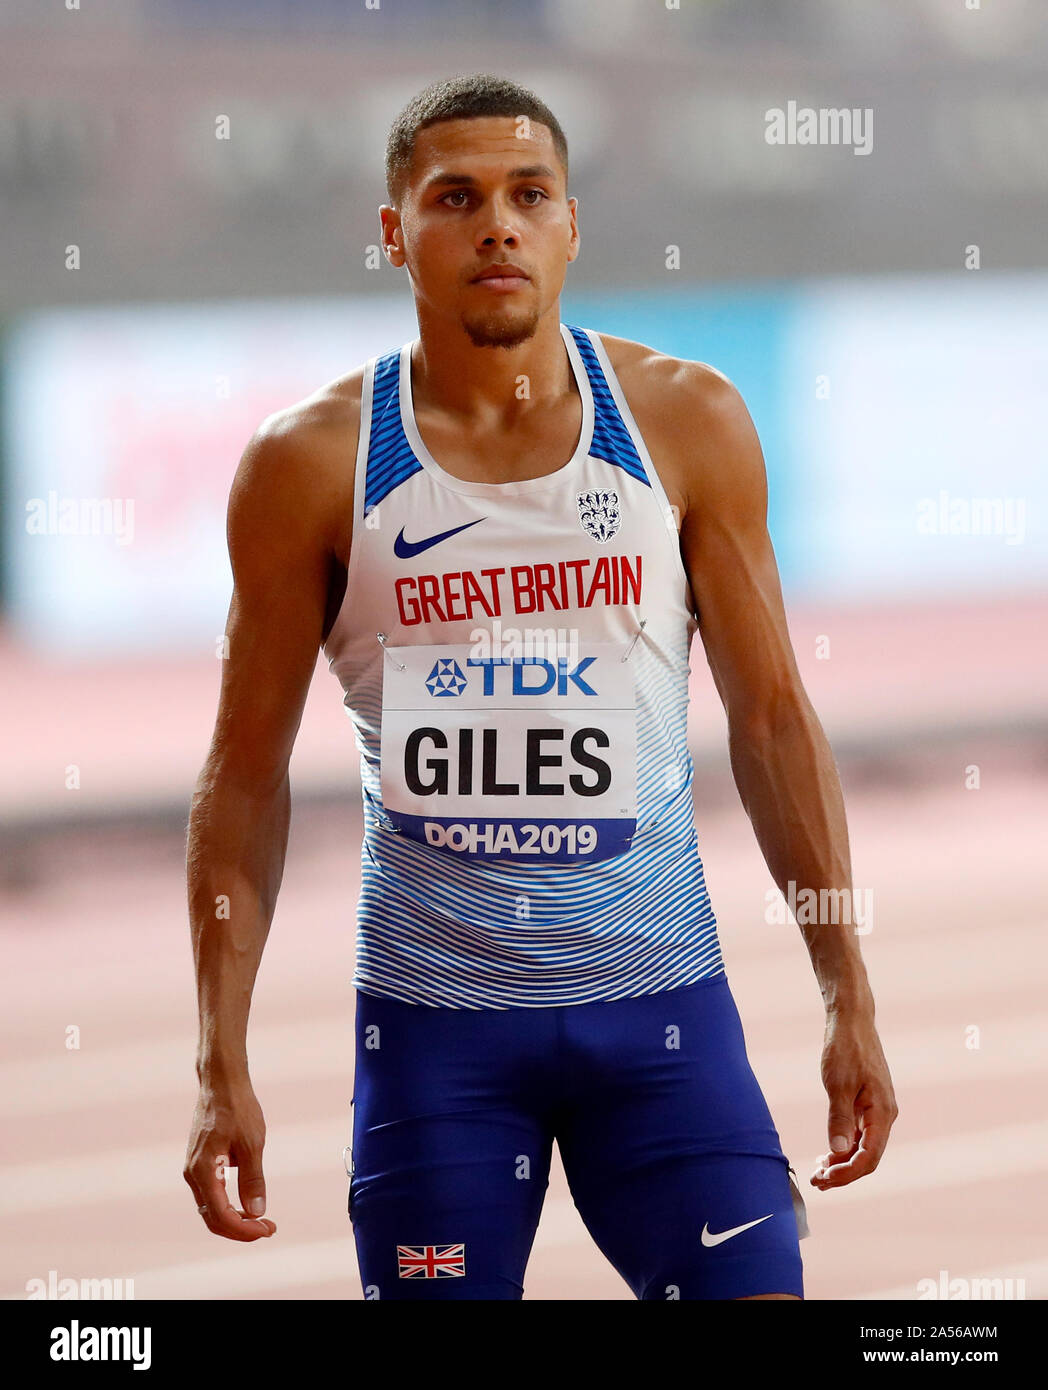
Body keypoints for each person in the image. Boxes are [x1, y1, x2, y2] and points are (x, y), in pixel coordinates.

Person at [183, 73, 897, 1300]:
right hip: (433, 1043)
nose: (496, 226)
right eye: (454, 198)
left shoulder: (683, 422)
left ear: (572, 225)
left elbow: (774, 720)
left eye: (528, 195)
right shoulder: (309, 463)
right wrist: (216, 1058)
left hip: (661, 1019)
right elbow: (242, 776)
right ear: (395, 231)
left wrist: (847, 990)